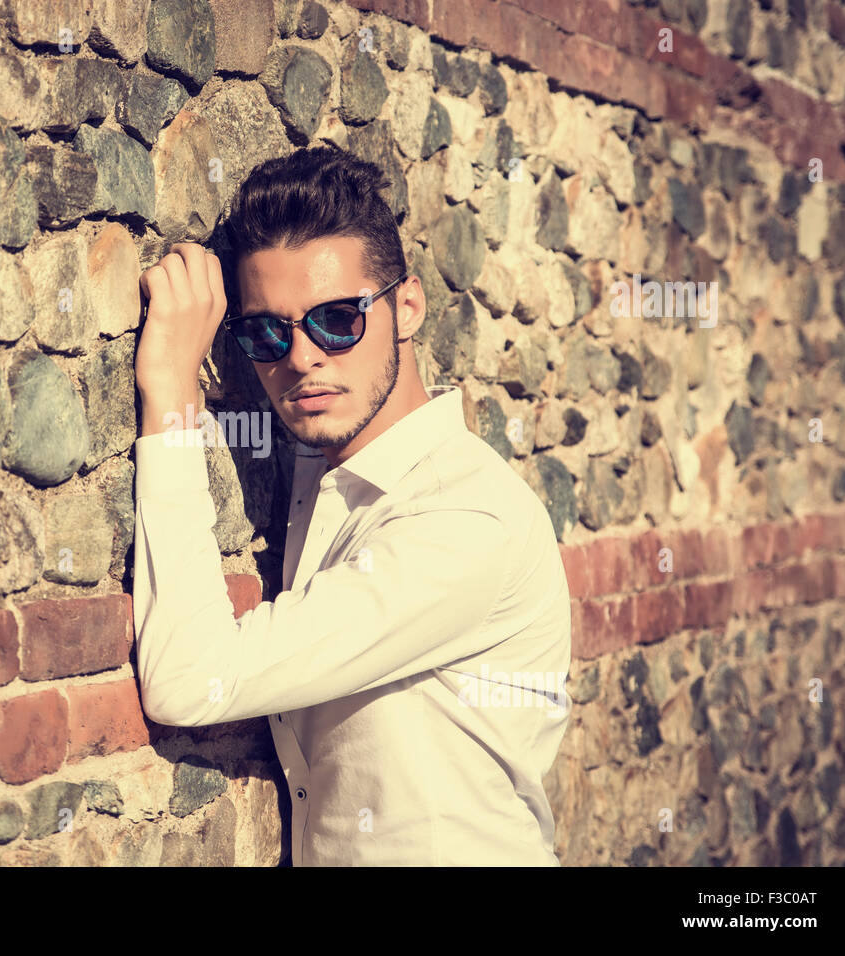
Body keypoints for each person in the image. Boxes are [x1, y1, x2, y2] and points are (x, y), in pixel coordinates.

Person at [132, 145, 571, 866]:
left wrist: (172, 390)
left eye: (337, 319)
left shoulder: (463, 523)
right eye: (267, 332)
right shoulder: (324, 473)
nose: (302, 357)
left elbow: (192, 679)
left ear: (408, 307)